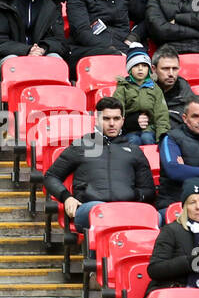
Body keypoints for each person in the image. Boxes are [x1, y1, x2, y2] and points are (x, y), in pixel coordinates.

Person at [42, 96, 156, 233]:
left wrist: (132, 195)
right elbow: (51, 177)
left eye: (116, 118)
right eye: (106, 119)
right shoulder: (81, 146)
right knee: (102, 212)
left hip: (125, 209)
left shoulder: (134, 150)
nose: (112, 123)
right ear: (97, 120)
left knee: (156, 218)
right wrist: (67, 198)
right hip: (91, 208)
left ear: (123, 121)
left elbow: (148, 190)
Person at [145, 178, 199, 298]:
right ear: (185, 207)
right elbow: (154, 270)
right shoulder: (170, 230)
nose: (198, 207)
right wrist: (190, 262)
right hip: (170, 294)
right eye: (192, 202)